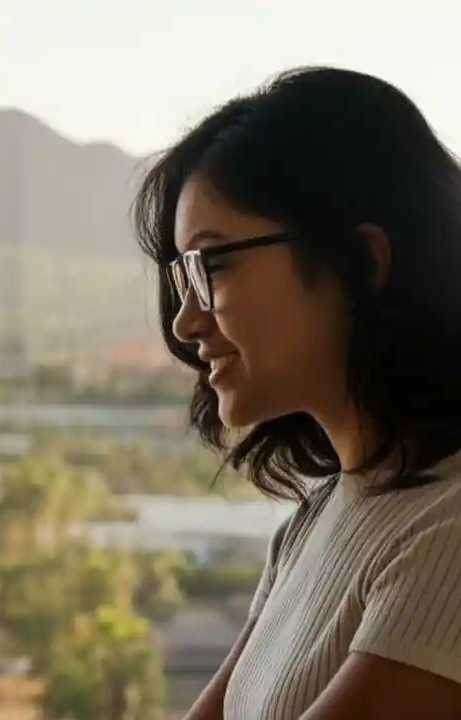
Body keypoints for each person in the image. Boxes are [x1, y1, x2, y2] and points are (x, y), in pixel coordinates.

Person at [133, 66, 461, 719]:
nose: (185, 322)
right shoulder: (317, 519)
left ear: (364, 261)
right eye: (182, 277)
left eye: (214, 264)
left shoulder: (448, 536)